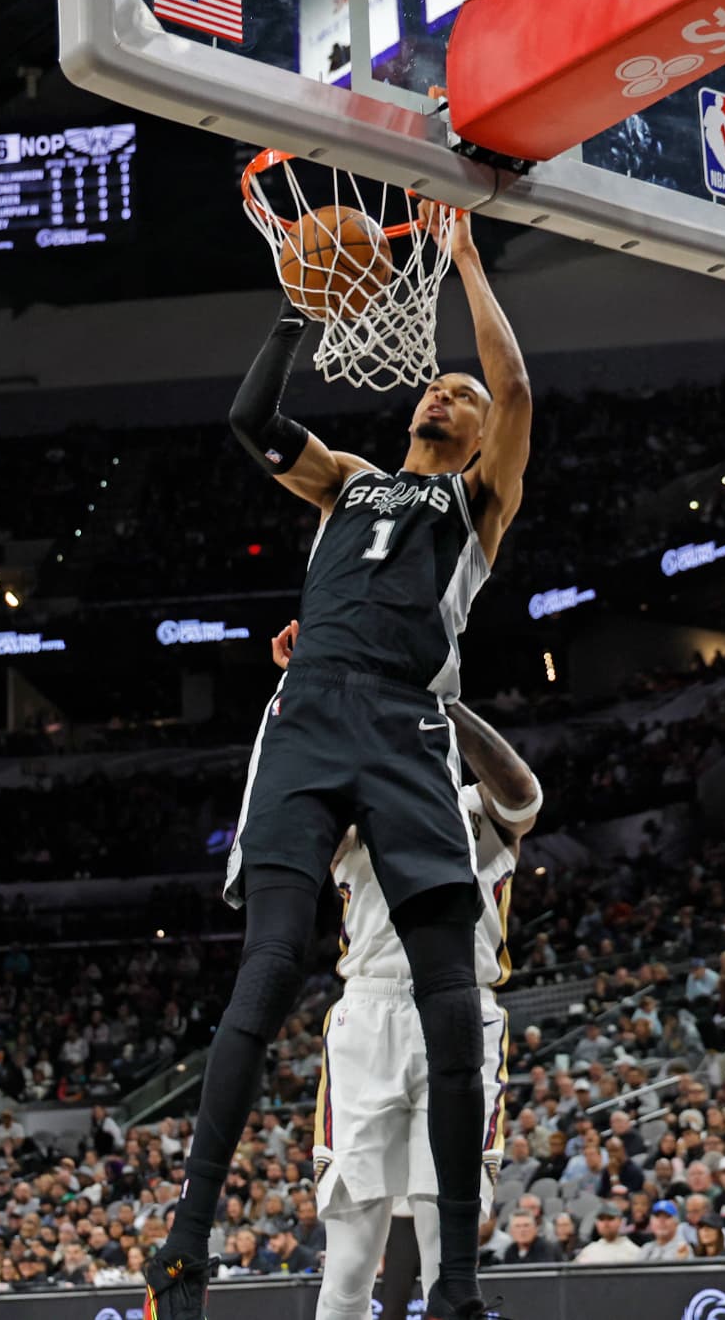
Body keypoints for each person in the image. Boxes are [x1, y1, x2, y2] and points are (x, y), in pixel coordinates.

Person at [149, 208, 532, 1320]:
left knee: (452, 992)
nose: (446, 396)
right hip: (310, 712)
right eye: (438, 387)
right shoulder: (349, 480)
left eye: (457, 396)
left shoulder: (475, 502)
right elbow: (248, 417)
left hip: (409, 719)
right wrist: (299, 309)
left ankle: (457, 1284)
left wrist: (463, 260)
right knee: (267, 967)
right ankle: (185, 1241)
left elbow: (514, 394)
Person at [281, 624, 540, 1320]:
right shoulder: (353, 808)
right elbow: (297, 783)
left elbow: (524, 794)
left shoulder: (474, 810)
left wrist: (443, 701)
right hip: (370, 1012)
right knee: (349, 1251)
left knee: (441, 1233)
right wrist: (317, 687)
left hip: (460, 1007)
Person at [574, 1209, 641, 1265]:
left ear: (620, 1221)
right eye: (601, 1219)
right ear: (596, 1223)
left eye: (610, 1218)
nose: (606, 1223)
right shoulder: (589, 1250)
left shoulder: (633, 1250)